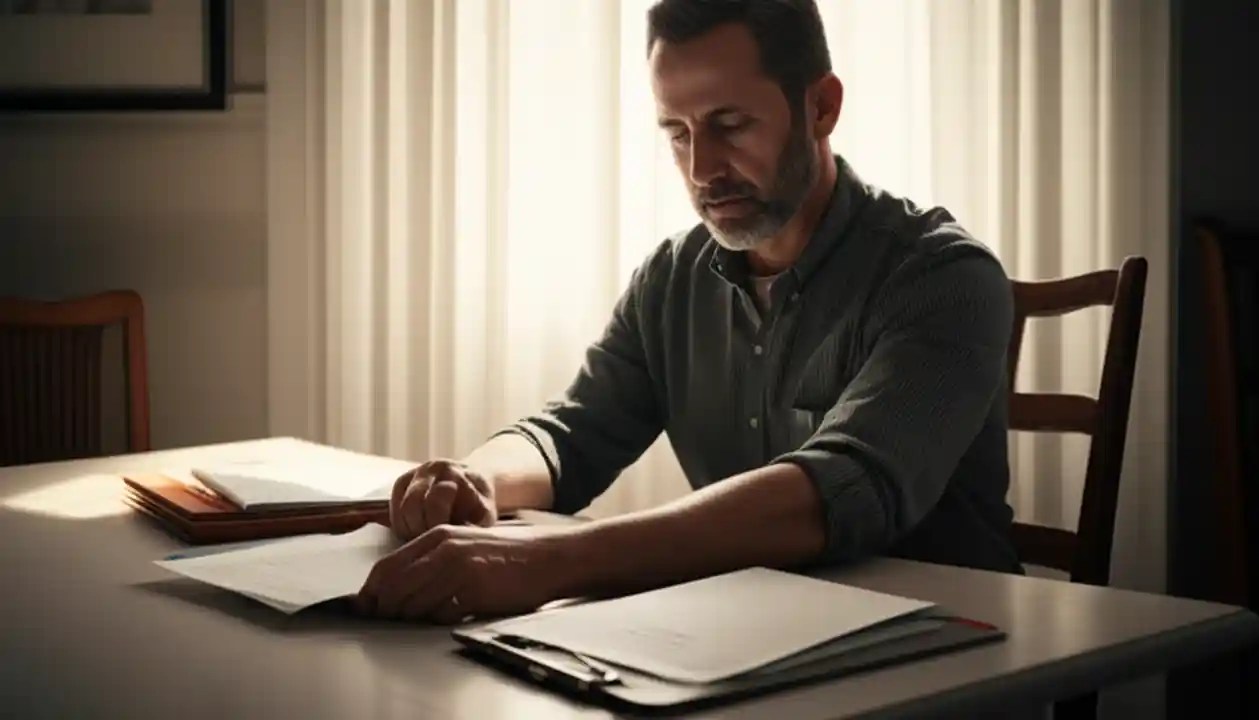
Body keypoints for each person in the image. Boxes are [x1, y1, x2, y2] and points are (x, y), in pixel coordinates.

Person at [356, 0, 1020, 624]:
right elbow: (569, 436)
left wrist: (544, 564)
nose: (702, 168)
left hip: (945, 658)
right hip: (753, 639)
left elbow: (837, 493)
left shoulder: (945, 278)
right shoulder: (673, 278)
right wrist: (478, 477)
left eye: (729, 125)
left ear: (821, 106)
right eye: (677, 132)